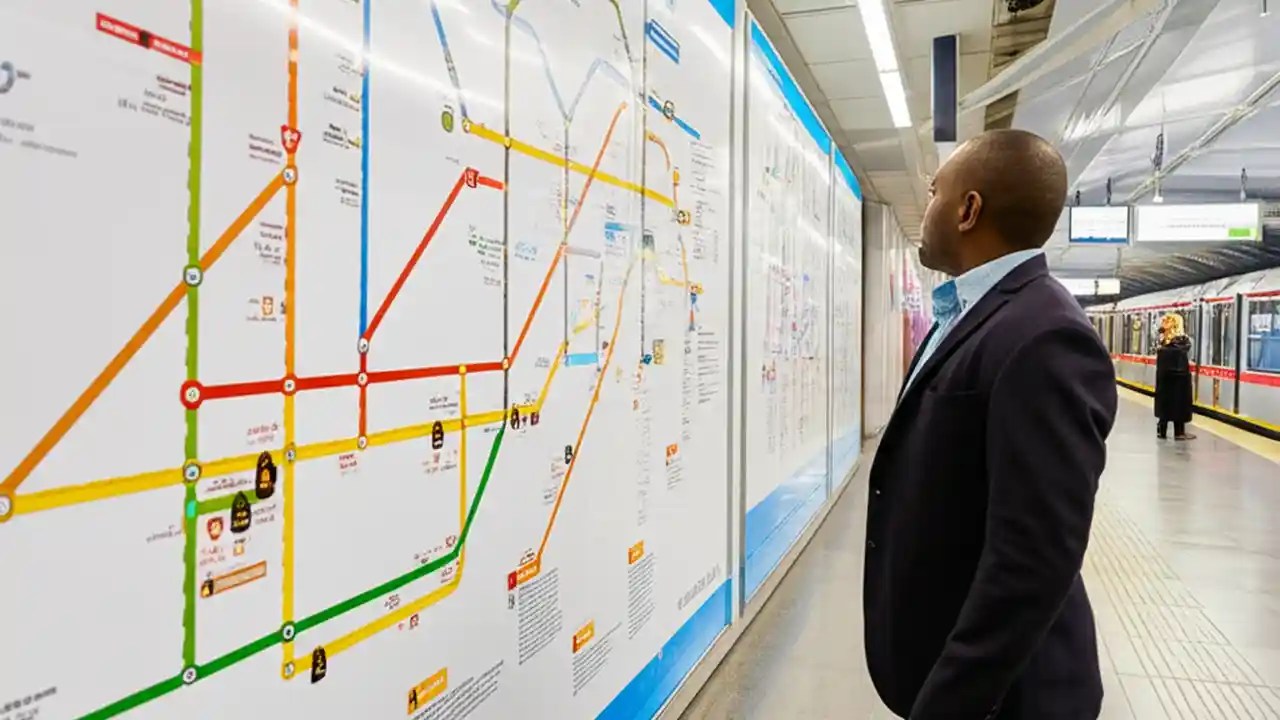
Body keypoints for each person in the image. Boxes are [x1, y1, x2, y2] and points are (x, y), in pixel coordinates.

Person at [864, 129, 1118, 720]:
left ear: (968, 209)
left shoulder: (1046, 336)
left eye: (933, 192)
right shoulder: (973, 315)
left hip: (1008, 701)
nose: (925, 209)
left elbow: (1032, 561)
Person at [1154, 313, 1195, 440]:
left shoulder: (1162, 344)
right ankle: (1179, 432)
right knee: (1179, 403)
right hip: (1180, 379)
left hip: (1164, 380)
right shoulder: (1183, 343)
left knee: (1165, 404)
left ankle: (1162, 430)